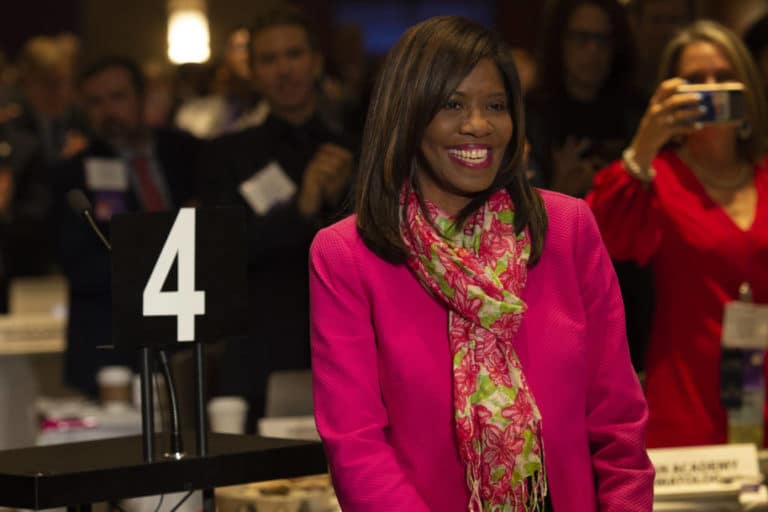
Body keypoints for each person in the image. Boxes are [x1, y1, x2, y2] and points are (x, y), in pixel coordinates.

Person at [310, 15, 653, 511]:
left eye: (495, 105)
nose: (479, 125)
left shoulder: (566, 228)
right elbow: (356, 446)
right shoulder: (347, 254)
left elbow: (618, 420)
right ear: (408, 114)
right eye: (452, 105)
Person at [587, 20, 768, 448]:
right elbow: (597, 241)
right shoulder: (656, 181)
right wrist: (646, 142)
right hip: (686, 404)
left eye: (723, 78)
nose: (709, 90)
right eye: (693, 82)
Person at [197, 3, 355, 429]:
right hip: (261, 346)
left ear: (316, 61)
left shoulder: (355, 147)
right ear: (252, 71)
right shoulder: (227, 154)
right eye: (269, 59)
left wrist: (345, 199)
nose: (284, 70)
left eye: (294, 55)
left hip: (349, 342)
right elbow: (223, 254)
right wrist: (302, 206)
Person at [52, 56, 199, 397]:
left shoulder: (187, 151)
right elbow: (79, 264)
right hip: (113, 342)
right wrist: (169, 246)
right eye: (95, 102)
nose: (108, 111)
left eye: (118, 97)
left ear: (142, 97)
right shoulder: (72, 175)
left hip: (190, 332)